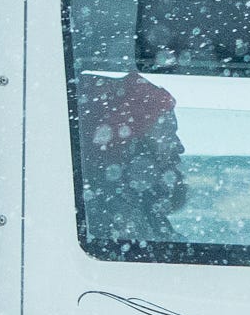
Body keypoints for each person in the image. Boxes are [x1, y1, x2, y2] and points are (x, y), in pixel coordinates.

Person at [74, 70, 187, 247]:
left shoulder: (139, 205)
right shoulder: (119, 216)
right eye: (169, 133)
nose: (180, 147)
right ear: (132, 146)